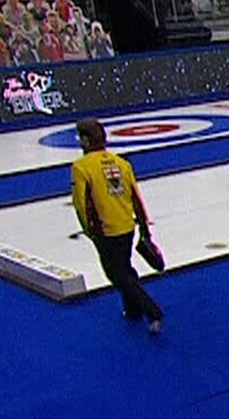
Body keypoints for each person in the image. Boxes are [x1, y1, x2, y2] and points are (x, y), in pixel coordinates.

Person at [70, 118, 164, 333]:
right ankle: (132, 310)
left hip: (105, 230)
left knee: (117, 274)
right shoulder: (122, 163)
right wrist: (144, 228)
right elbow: (135, 198)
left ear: (85, 140)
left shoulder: (81, 167)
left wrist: (89, 230)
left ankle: (153, 312)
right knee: (124, 267)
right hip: (126, 226)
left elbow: (81, 203)